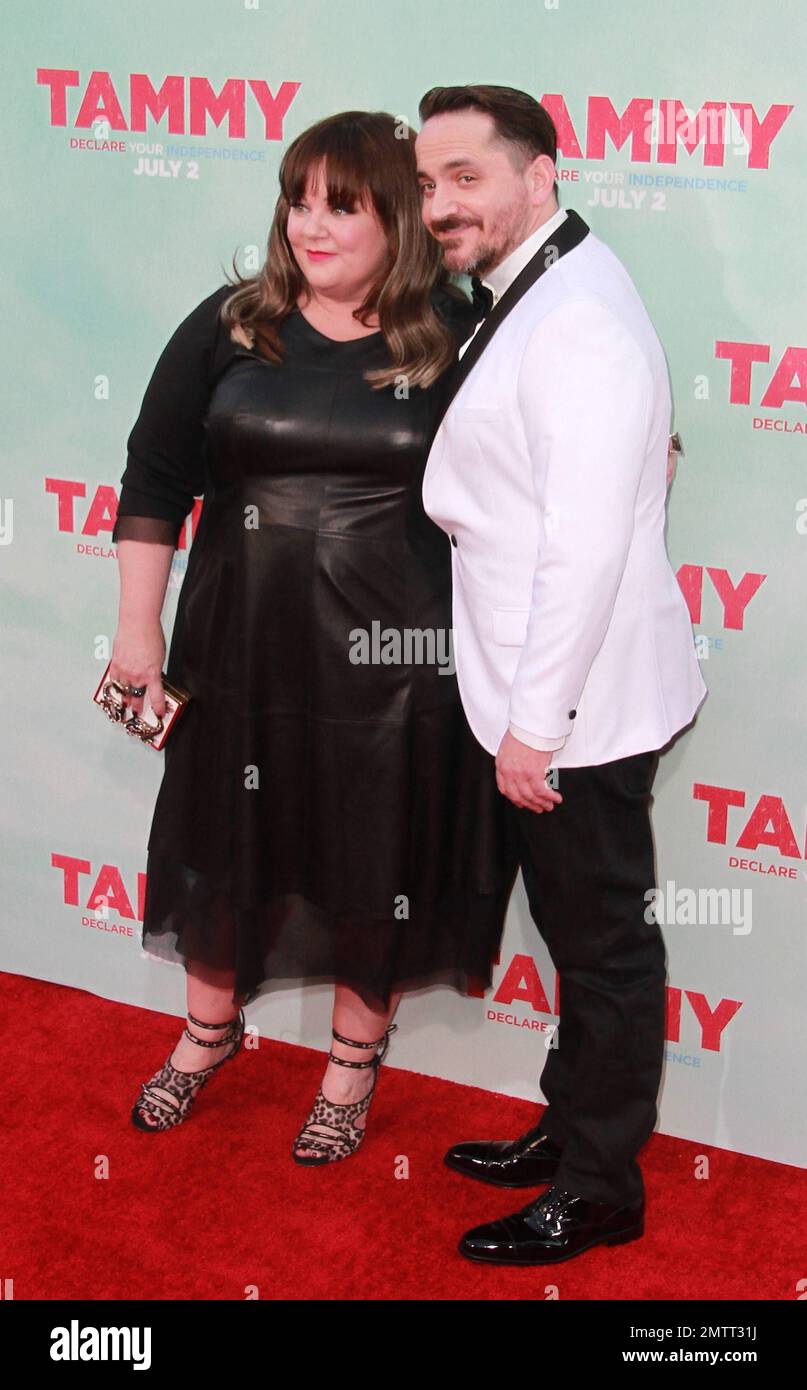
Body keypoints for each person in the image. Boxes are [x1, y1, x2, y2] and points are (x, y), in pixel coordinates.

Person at [110, 109, 519, 1163]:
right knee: (220, 849)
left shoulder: (459, 334)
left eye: (343, 203)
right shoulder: (232, 323)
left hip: (392, 672)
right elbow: (155, 478)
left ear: (399, 217)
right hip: (237, 653)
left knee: (369, 856)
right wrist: (135, 634)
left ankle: (351, 1067)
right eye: (299, 198)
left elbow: (540, 464)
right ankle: (209, 1033)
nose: (311, 223)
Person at [415, 85, 707, 1264]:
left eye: (466, 178)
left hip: (572, 705)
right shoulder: (540, 276)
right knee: (579, 934)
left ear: (541, 175)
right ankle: (570, 1122)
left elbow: (583, 545)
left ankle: (600, 1185)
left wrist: (535, 727)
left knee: (603, 948)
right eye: (429, 183)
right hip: (543, 688)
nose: (440, 205)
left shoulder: (575, 313)